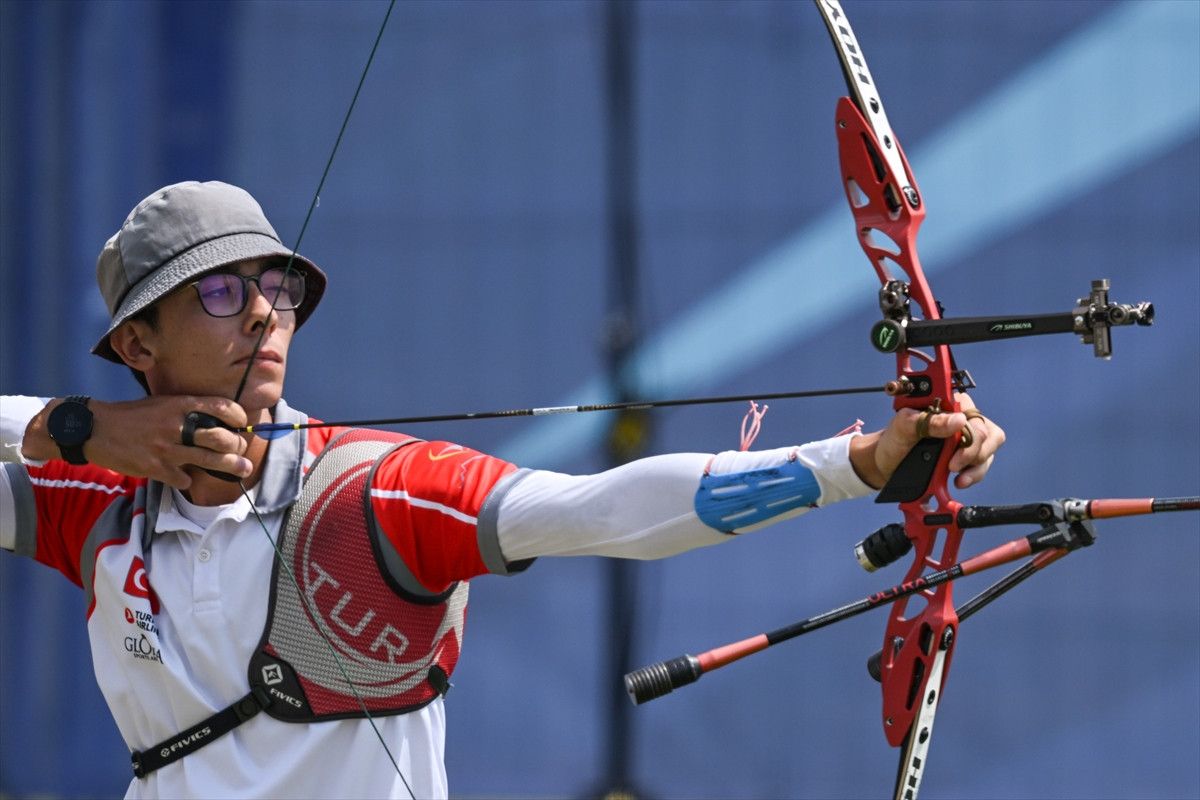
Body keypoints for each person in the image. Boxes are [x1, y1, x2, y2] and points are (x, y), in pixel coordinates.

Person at [0, 181, 1004, 799]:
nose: (264, 314)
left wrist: (857, 463)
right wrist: (69, 427)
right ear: (137, 343)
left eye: (277, 287)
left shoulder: (370, 494)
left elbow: (598, 510)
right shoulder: (90, 500)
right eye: (220, 293)